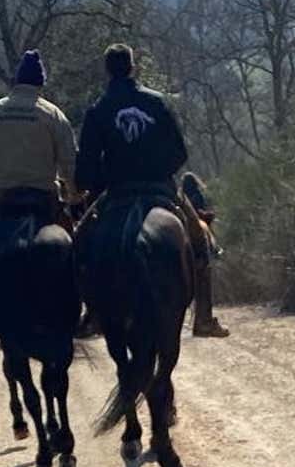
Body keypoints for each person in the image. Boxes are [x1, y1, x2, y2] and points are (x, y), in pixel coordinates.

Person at [75, 44, 230, 339]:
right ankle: (204, 318)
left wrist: (99, 180)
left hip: (116, 192)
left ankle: (92, 313)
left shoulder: (97, 110)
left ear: (107, 70)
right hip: (160, 188)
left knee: (80, 245)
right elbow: (180, 152)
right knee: (200, 238)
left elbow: (86, 168)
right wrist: (158, 169)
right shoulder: (157, 102)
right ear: (133, 67)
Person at [0, 51, 78, 325]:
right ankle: (82, 300)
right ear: (40, 83)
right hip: (44, 199)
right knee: (76, 248)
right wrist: (72, 193)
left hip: (0, 198)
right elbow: (69, 165)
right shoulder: (53, 114)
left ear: (16, 81)